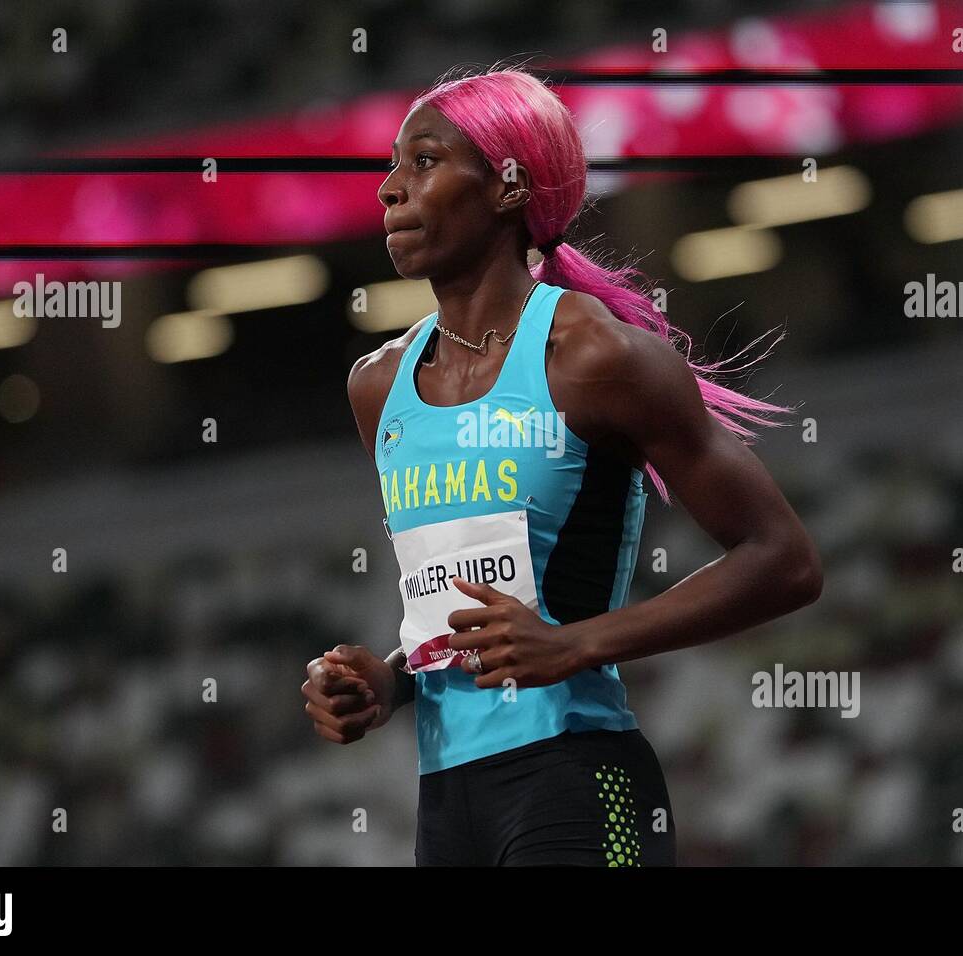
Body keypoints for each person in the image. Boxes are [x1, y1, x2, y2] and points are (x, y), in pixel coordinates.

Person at [302, 64, 822, 866]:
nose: (389, 189)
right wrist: (392, 681)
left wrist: (576, 646)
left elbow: (783, 560)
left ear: (510, 188)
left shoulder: (593, 356)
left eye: (426, 161)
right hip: (447, 806)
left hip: (580, 777)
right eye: (393, 165)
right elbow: (463, 615)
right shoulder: (377, 387)